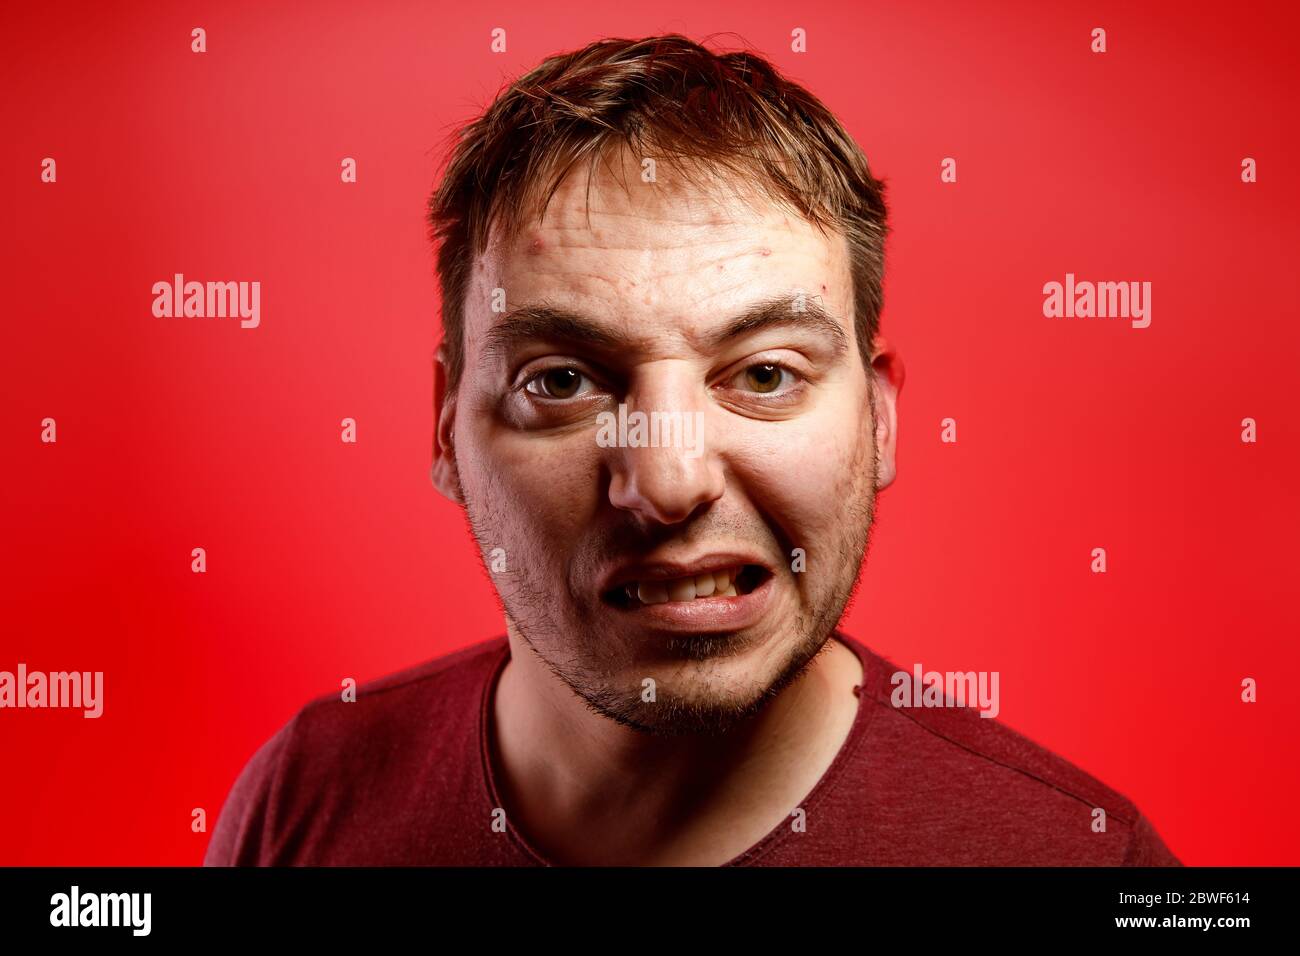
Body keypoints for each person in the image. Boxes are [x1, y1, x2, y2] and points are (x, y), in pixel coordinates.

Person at [205, 34, 1179, 866]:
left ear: (880, 422)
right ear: (446, 426)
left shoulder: (1076, 856)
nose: (667, 482)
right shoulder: (306, 796)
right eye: (562, 381)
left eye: (763, 374)